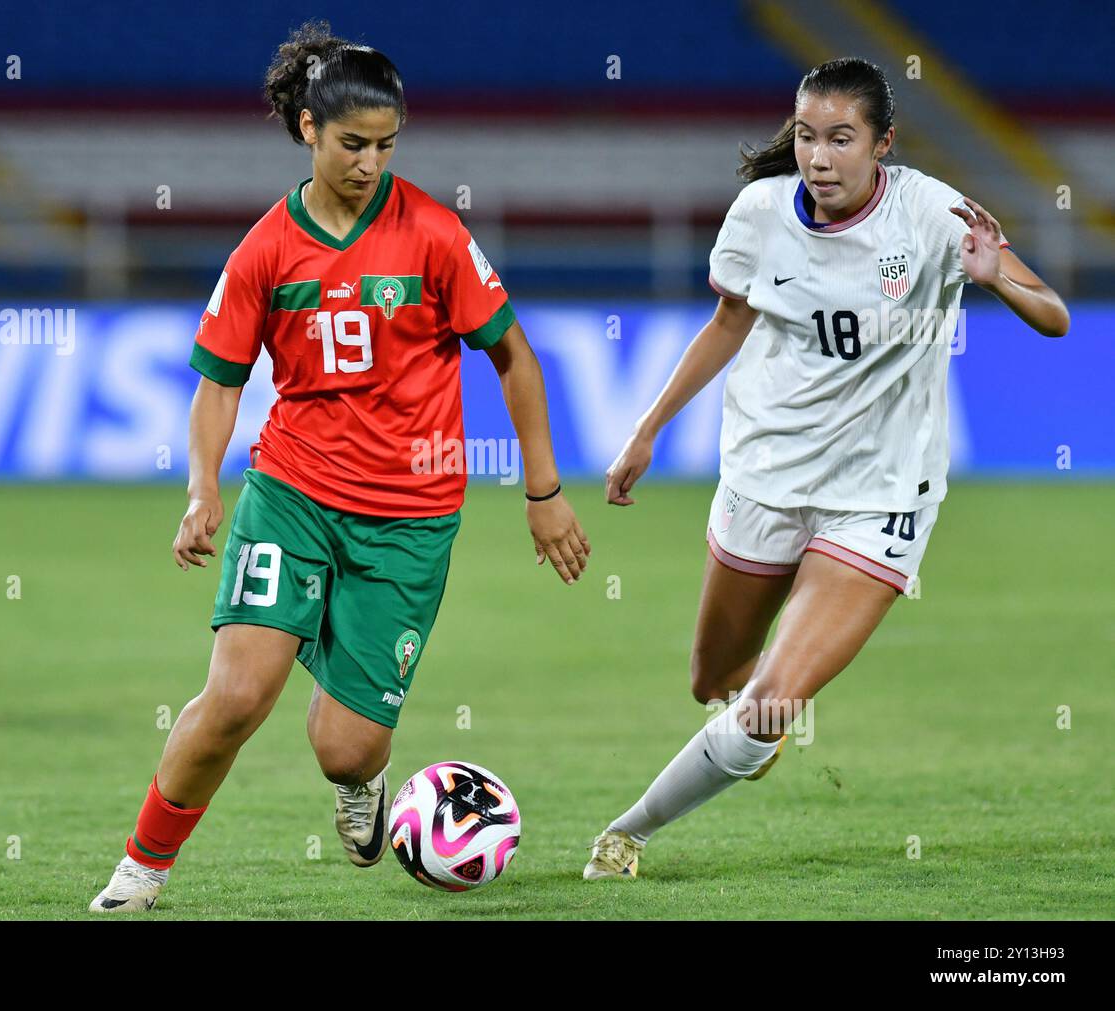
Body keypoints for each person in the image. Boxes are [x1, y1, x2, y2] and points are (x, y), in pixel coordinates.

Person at [89, 20, 589, 912]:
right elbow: (218, 382)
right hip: (293, 494)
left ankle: (364, 784)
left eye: (387, 144)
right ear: (307, 131)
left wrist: (543, 492)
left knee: (344, 748)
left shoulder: (434, 233)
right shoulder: (264, 252)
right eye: (353, 143)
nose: (370, 162)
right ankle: (143, 867)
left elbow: (515, 356)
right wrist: (204, 486)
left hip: (410, 518)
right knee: (238, 694)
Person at [584, 57, 1068, 880]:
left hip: (880, 497)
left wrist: (996, 280)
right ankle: (747, 732)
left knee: (770, 701)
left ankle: (625, 832)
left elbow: (1054, 314)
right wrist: (648, 428)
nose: (819, 156)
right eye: (807, 136)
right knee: (715, 681)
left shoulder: (932, 214)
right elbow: (729, 321)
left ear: (882, 143)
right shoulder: (761, 214)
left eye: (841, 138)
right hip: (765, 476)